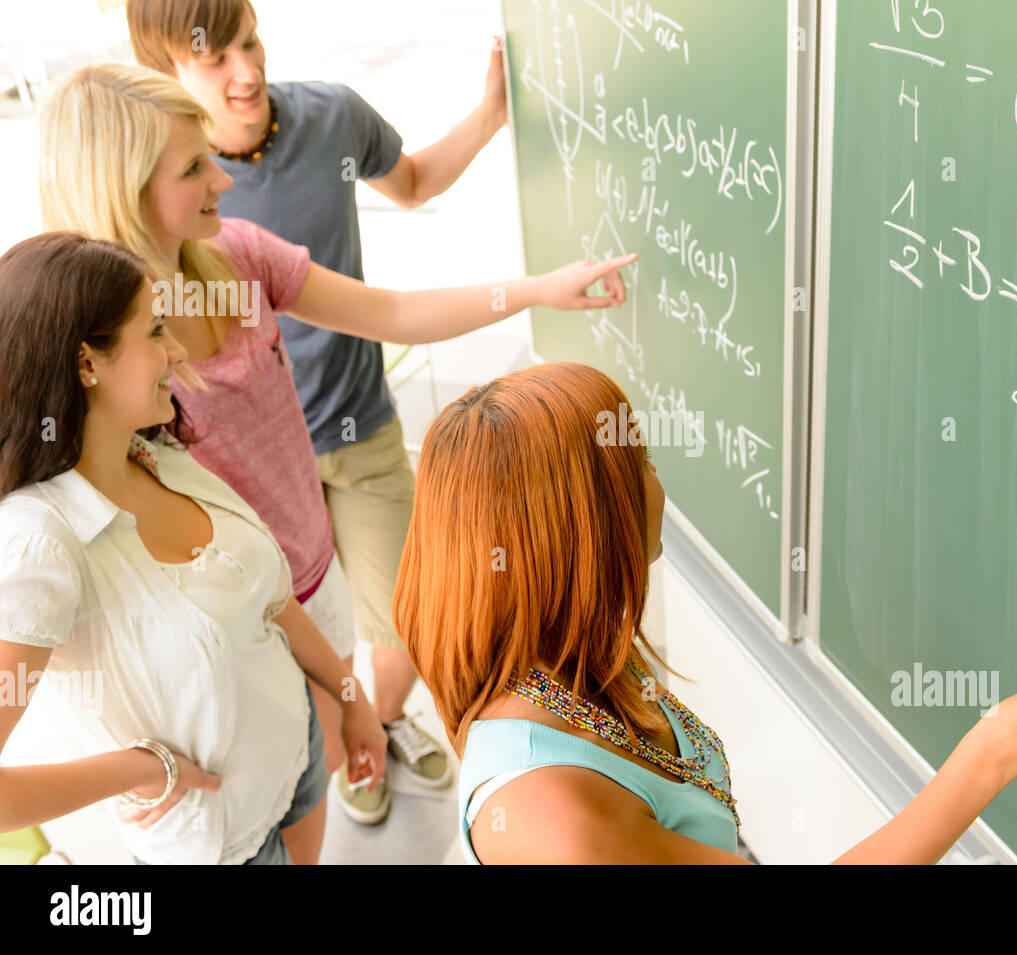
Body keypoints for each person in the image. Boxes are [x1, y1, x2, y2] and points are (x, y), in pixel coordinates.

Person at [37, 62, 634, 824]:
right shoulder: (98, 355)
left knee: (319, 769)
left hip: (310, 585)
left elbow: (388, 310)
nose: (223, 177)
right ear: (124, 190)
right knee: (266, 801)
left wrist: (535, 289)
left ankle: (366, 739)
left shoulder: (238, 257)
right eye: (193, 167)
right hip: (230, 628)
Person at [391, 362, 1017, 864]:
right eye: (643, 466)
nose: (662, 482)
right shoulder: (552, 820)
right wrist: (992, 752)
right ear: (587, 532)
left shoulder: (568, 658)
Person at [125, 0, 513, 819]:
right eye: (215, 59)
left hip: (359, 425)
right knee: (303, 640)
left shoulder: (330, 116)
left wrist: (489, 117)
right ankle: (345, 742)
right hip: (253, 476)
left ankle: (380, 721)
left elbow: (410, 188)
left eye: (250, 42)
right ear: (167, 80)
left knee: (406, 612)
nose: (247, 71)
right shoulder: (163, 221)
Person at [0, 231, 390, 865]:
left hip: (298, 756)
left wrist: (353, 699)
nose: (179, 350)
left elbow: (269, 599)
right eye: (155, 331)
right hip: (220, 843)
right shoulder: (39, 545)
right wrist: (141, 768)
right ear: (85, 363)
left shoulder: (155, 451)